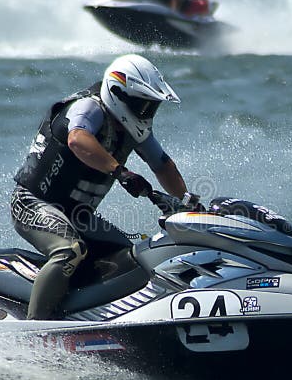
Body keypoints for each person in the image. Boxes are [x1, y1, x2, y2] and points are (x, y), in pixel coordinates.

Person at [12, 54, 193, 320]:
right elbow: (77, 139)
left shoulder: (134, 129)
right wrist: (120, 172)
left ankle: (91, 316)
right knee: (69, 251)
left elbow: (163, 165)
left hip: (77, 216)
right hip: (33, 203)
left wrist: (188, 204)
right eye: (142, 105)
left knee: (131, 258)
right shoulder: (89, 107)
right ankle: (35, 330)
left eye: (151, 106)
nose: (146, 113)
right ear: (119, 95)